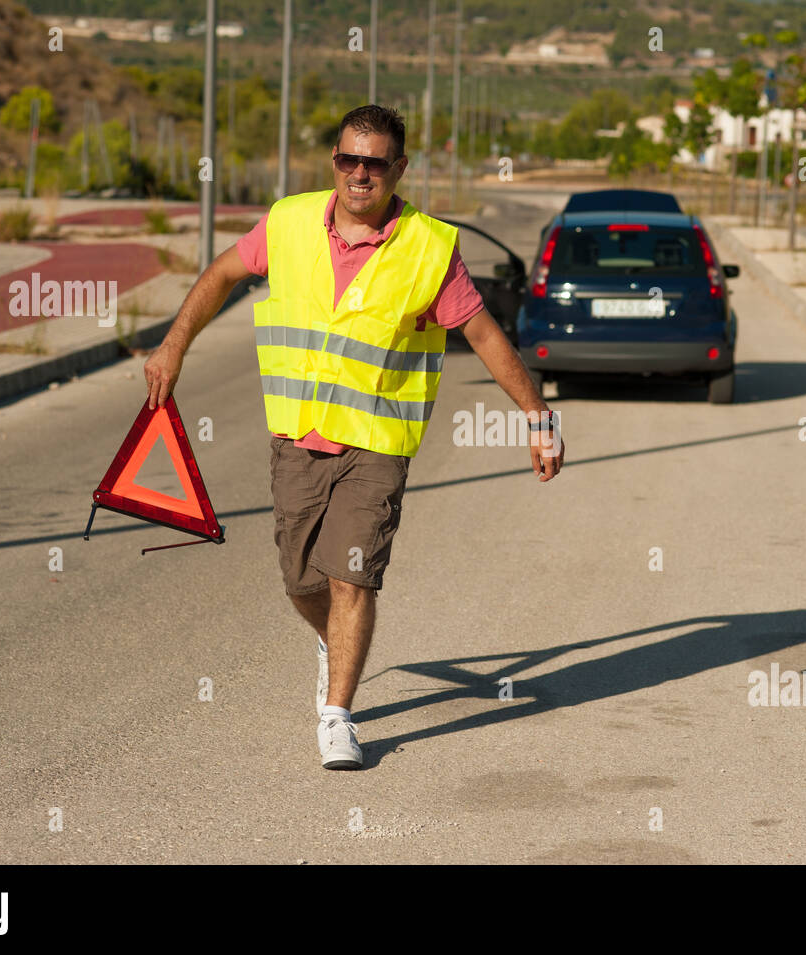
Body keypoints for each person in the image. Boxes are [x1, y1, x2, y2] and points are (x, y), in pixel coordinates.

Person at [142, 104, 563, 770]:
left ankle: (338, 713)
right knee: (300, 581)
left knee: (353, 579)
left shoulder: (428, 247)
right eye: (349, 160)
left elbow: (483, 334)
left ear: (399, 168)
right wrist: (172, 347)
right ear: (334, 162)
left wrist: (538, 417)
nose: (360, 174)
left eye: (375, 163)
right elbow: (223, 273)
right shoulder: (287, 223)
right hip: (299, 438)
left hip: (377, 444)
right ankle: (331, 642)